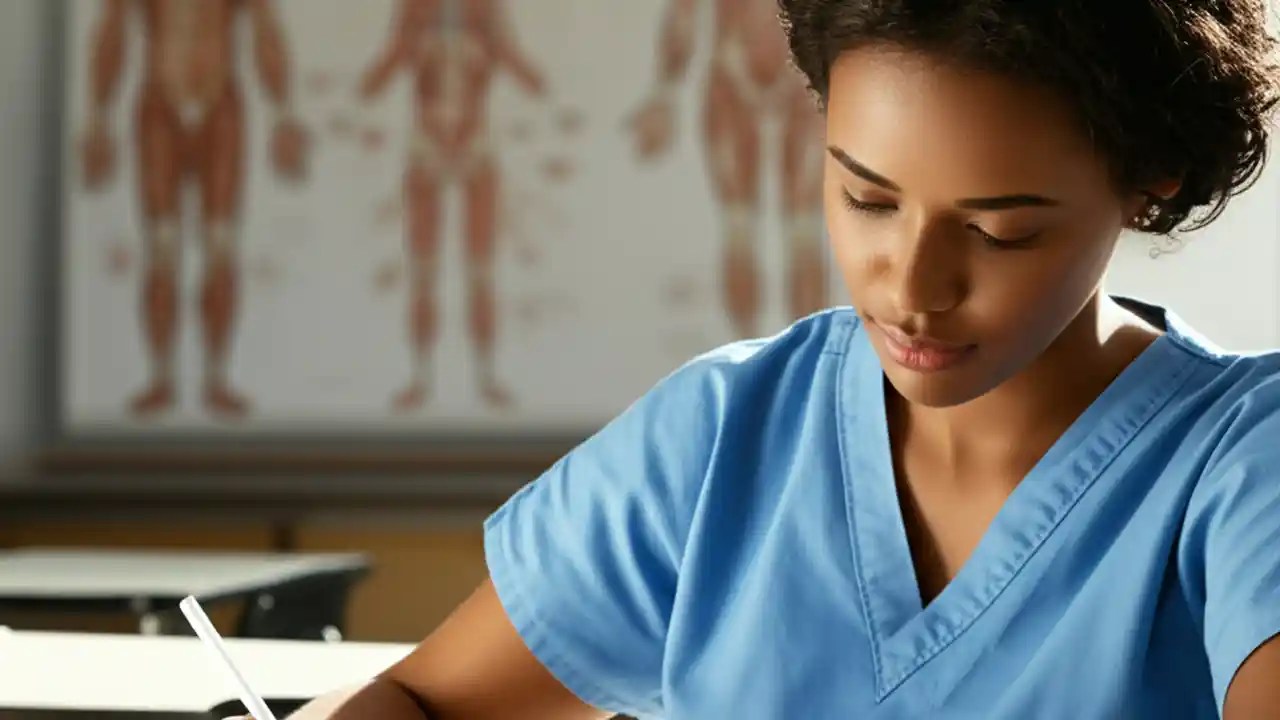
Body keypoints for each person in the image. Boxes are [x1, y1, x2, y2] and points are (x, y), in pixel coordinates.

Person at [235, 0, 1280, 717]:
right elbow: (420, 701)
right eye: (865, 199)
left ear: (1148, 177)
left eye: (999, 232)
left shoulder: (1240, 469)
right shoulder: (724, 440)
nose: (907, 287)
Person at [81, 0, 309, 419]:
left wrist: (283, 112)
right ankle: (162, 378)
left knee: (221, 247)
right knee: (162, 250)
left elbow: (265, 30)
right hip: (159, 107)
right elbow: (112, 30)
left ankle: (216, 379)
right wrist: (98, 117)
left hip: (220, 108)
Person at [359, 0, 546, 412]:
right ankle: (421, 376)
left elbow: (516, 62)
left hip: (474, 143)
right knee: (423, 270)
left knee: (480, 270)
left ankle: (485, 376)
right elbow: (388, 63)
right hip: (426, 144)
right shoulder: (415, 8)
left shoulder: (486, 8)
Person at [630, 0, 827, 339]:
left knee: (803, 230)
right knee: (741, 228)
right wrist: (663, 94)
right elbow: (684, 12)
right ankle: (748, 362)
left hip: (800, 81)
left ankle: (810, 364)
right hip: (733, 77)